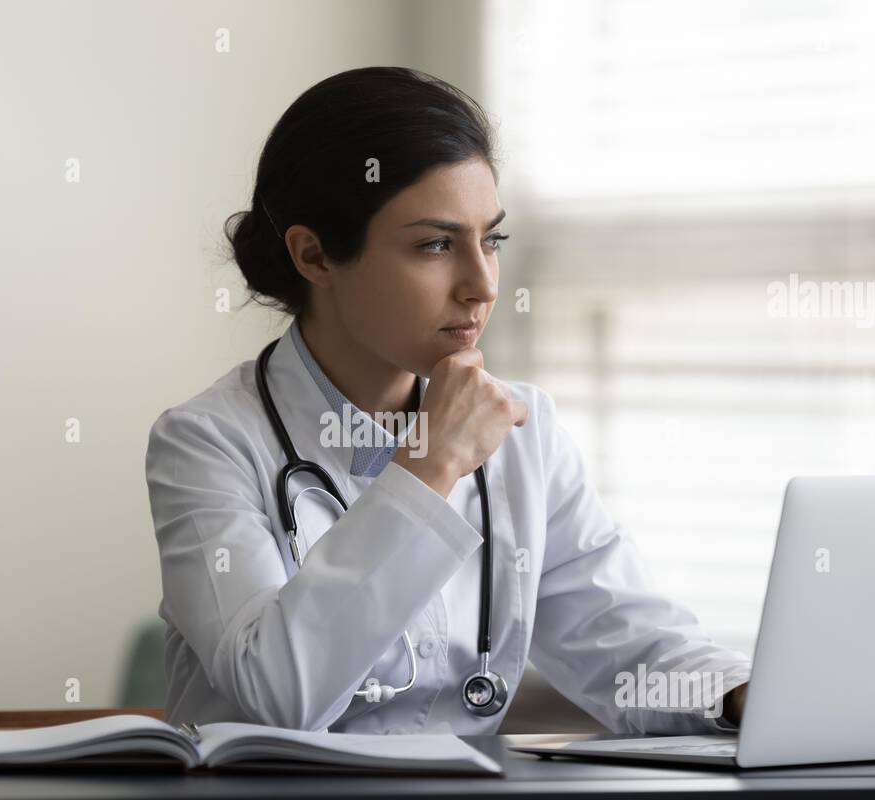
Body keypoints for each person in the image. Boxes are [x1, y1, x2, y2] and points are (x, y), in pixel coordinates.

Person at [145, 66, 750, 735]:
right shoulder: (206, 442)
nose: (482, 284)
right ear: (314, 256)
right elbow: (278, 693)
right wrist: (433, 464)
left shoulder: (524, 429)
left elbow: (625, 646)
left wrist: (739, 696)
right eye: (435, 245)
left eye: (490, 239)